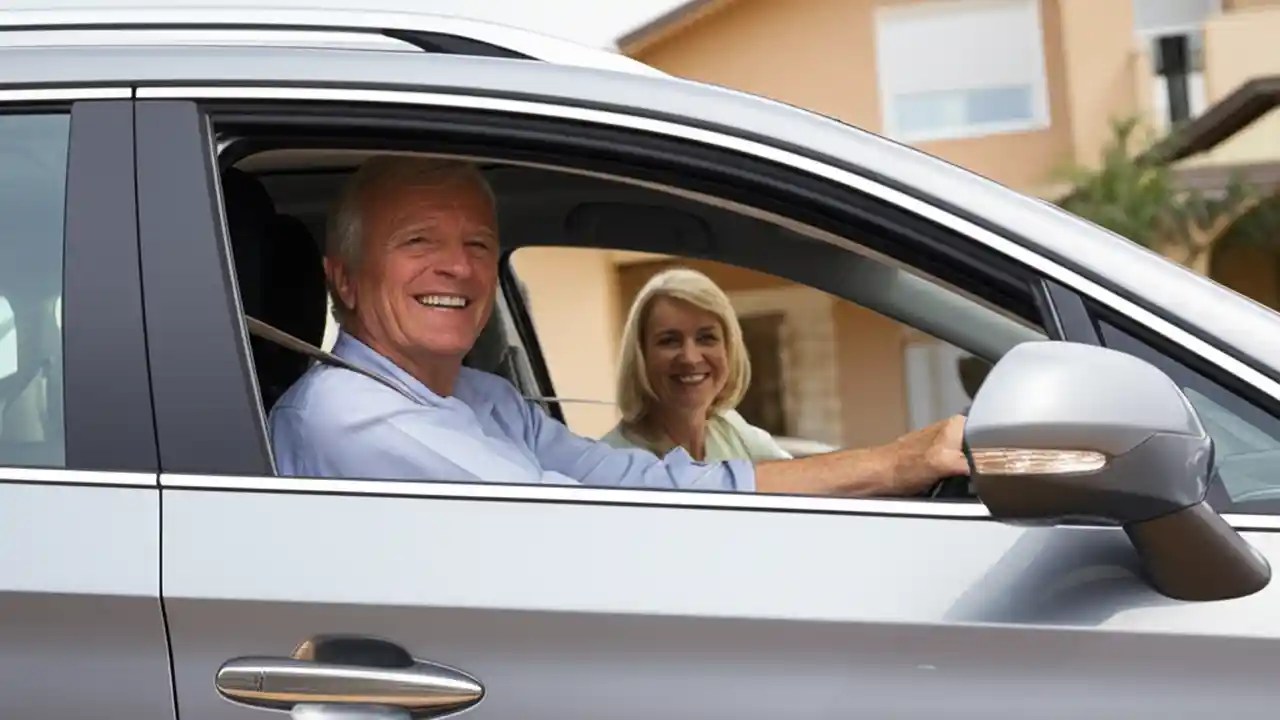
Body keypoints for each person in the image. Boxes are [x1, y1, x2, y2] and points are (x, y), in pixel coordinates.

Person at [268, 154, 969, 496]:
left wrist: (896, 462)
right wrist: (894, 465)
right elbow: (584, 522)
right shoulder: (347, 415)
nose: (459, 268)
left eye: (478, 245)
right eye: (418, 242)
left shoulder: (484, 399)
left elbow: (637, 483)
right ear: (345, 279)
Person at [601, 267, 792, 463]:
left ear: (729, 348)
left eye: (706, 338)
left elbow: (798, 478)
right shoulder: (612, 462)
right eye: (669, 341)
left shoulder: (729, 430)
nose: (690, 358)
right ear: (641, 354)